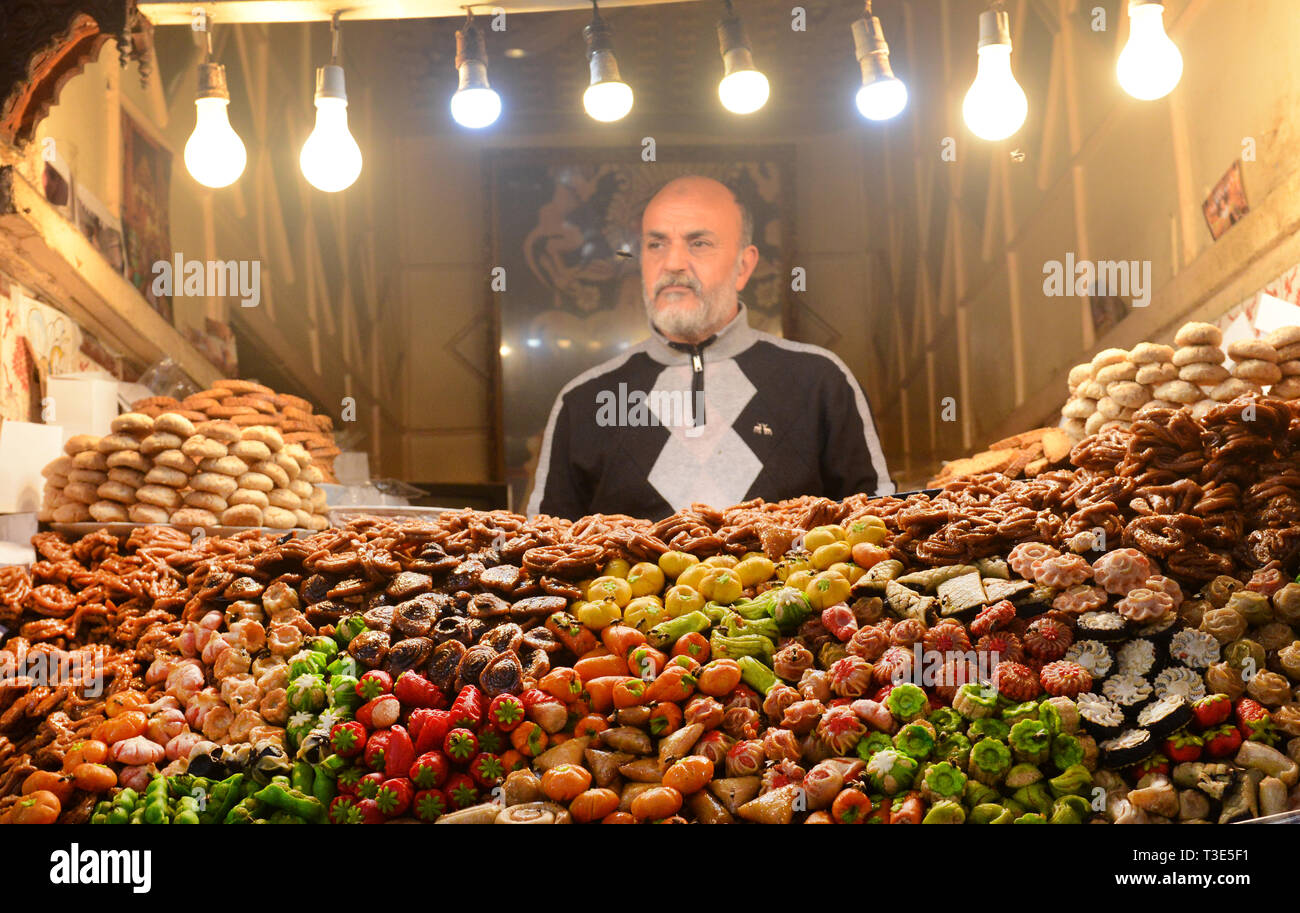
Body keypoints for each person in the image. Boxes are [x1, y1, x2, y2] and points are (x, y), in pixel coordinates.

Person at [526, 175, 893, 520]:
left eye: (698, 243)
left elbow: (876, 532)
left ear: (743, 266)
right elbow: (544, 555)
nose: (672, 264)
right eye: (656, 244)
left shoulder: (822, 381)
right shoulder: (583, 401)